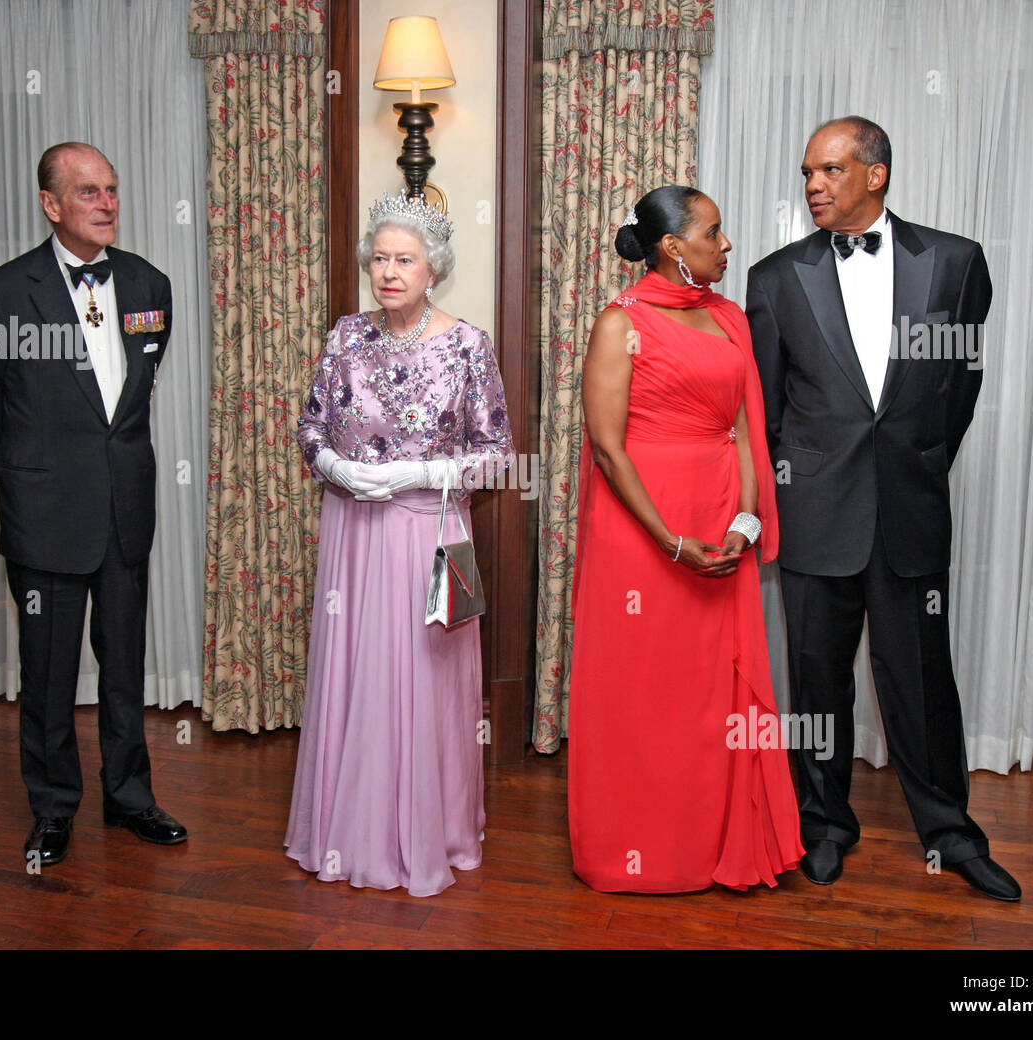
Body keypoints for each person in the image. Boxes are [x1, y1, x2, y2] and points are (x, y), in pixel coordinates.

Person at [745, 116, 1020, 901]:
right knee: (816, 683)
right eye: (807, 173)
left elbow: (956, 393)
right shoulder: (773, 278)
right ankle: (825, 824)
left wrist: (916, 463)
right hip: (816, 516)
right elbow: (764, 413)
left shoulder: (956, 263)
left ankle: (952, 835)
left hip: (907, 514)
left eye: (830, 170)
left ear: (877, 174)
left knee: (922, 681)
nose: (814, 186)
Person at [0, 142, 187, 867]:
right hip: (46, 519)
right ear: (52, 205)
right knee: (48, 679)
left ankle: (130, 798)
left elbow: (130, 401)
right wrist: (32, 478)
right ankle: (53, 809)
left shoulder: (150, 283)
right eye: (88, 192)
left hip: (124, 516)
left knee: (123, 670)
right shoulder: (0, 294)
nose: (107, 203)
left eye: (112, 189)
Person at [567, 185, 804, 893]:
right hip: (642, 529)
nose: (727, 244)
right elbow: (608, 449)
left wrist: (746, 518)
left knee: (711, 693)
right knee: (645, 691)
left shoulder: (728, 317)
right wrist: (671, 542)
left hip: (719, 518)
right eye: (715, 231)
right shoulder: (620, 323)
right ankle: (636, 847)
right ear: (674, 247)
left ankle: (717, 841)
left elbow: (742, 426)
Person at [287, 192, 514, 897]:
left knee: (427, 678)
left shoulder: (467, 344)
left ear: (433, 268)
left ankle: (430, 831)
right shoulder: (346, 335)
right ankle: (348, 831)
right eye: (380, 258)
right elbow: (311, 427)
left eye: (405, 259)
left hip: (433, 533)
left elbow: (497, 455)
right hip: (353, 531)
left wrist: (415, 472)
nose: (389, 271)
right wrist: (334, 467)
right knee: (359, 675)